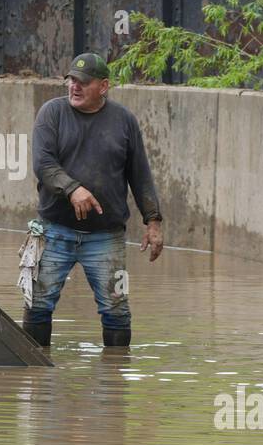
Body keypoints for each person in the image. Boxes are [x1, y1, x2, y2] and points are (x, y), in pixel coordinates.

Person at [21, 52, 164, 349]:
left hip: (106, 236)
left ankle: (115, 382)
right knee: (37, 304)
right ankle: (34, 381)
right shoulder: (52, 113)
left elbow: (140, 175)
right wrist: (73, 189)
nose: (74, 86)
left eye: (83, 82)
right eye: (71, 80)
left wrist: (153, 221)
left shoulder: (123, 121)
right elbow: (43, 164)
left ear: (103, 86)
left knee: (117, 310)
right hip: (54, 230)